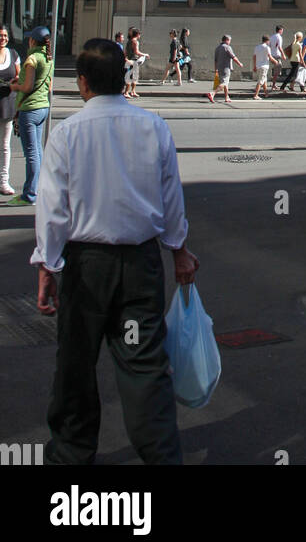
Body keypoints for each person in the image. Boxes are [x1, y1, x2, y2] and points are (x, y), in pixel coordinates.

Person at [31, 37, 198, 465]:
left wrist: (48, 266)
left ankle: (70, 455)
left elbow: (53, 208)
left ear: (82, 82)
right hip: (140, 266)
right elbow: (170, 198)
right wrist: (178, 250)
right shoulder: (153, 127)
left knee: (76, 365)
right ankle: (162, 456)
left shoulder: (66, 134)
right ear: (125, 78)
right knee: (143, 367)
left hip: (87, 269)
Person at [2, 26, 54, 207]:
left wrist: (13, 86)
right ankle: (36, 189)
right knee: (38, 151)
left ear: (33, 41)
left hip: (29, 109)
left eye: (29, 39)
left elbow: (27, 87)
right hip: (43, 107)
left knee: (31, 153)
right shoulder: (48, 58)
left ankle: (29, 194)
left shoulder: (32, 59)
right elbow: (47, 86)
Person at [0, 25, 21, 197]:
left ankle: (4, 181)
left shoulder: (13, 54)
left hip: (7, 105)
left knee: (5, 146)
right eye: (0, 36)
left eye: (5, 36)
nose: (3, 39)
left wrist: (16, 82)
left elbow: (19, 77)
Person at [210, 34, 242, 106]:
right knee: (224, 83)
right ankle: (212, 93)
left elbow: (215, 60)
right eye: (230, 40)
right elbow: (233, 57)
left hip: (219, 68)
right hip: (226, 68)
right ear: (227, 40)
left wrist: (216, 69)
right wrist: (239, 63)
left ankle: (226, 97)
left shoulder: (217, 48)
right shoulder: (227, 47)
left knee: (225, 83)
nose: (230, 42)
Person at [252, 34, 279, 100]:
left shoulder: (257, 47)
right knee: (261, 81)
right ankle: (256, 95)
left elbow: (254, 57)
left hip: (258, 66)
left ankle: (266, 94)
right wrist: (275, 61)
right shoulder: (267, 48)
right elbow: (270, 57)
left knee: (264, 80)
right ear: (267, 40)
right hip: (264, 66)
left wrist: (254, 66)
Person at [124, 28, 146, 99]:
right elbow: (137, 52)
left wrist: (125, 58)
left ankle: (132, 92)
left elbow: (125, 51)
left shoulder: (129, 41)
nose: (140, 35)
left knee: (133, 76)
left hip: (130, 60)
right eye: (139, 34)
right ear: (137, 34)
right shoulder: (135, 42)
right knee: (132, 76)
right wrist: (145, 54)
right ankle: (127, 92)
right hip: (134, 60)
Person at [268, 26, 285, 92]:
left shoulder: (272, 37)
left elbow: (269, 46)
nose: (282, 31)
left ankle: (273, 84)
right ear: (280, 30)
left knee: (276, 71)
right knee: (277, 71)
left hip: (272, 55)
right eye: (282, 30)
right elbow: (279, 47)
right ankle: (273, 85)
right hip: (277, 55)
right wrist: (283, 54)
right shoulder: (279, 37)